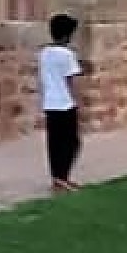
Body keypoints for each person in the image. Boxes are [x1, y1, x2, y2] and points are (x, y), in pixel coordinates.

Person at [38, 12, 84, 192]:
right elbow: (71, 80)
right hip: (65, 103)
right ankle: (62, 177)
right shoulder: (67, 55)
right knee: (71, 142)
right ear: (67, 35)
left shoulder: (44, 53)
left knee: (55, 142)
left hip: (50, 102)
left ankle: (58, 177)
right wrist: (79, 101)